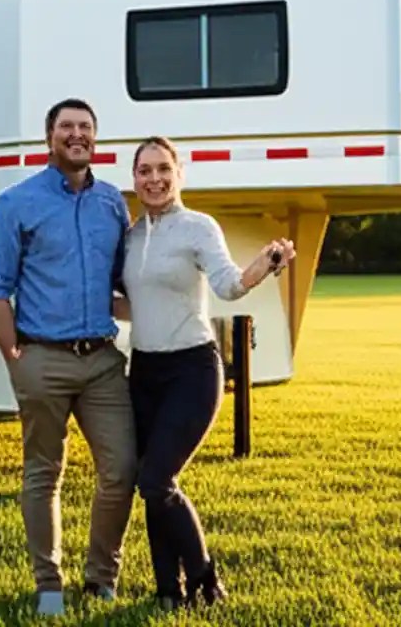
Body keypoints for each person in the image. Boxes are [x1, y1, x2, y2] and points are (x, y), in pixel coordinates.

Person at [0, 97, 137, 617]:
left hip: (104, 362)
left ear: (95, 138)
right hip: (42, 358)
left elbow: (124, 282)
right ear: (49, 138)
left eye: (85, 127)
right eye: (66, 126)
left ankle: (101, 578)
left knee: (122, 469)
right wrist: (14, 355)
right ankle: (49, 585)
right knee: (44, 473)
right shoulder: (16, 202)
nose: (77, 135)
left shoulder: (112, 202)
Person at [118, 136, 296, 609]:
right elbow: (133, 303)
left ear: (179, 173)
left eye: (162, 169)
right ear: (133, 178)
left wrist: (264, 264)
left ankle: (203, 578)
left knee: (156, 479)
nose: (154, 179)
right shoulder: (132, 236)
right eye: (144, 171)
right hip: (145, 372)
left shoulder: (198, 227)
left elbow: (230, 284)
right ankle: (166, 591)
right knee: (153, 483)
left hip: (192, 369)